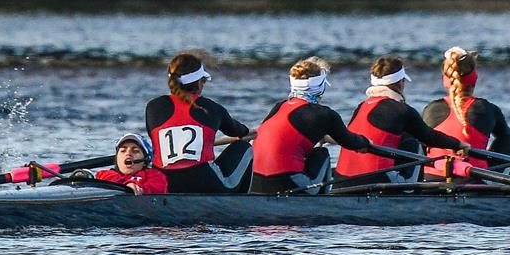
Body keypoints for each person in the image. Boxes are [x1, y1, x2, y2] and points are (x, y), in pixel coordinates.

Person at [334, 57, 472, 189]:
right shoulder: (402, 110)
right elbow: (430, 137)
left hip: (341, 181)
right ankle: (414, 195)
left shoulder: (361, 107)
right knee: (415, 142)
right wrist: (458, 144)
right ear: (400, 83)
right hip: (373, 183)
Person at [249, 58, 383, 195]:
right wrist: (366, 142)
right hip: (286, 183)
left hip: (256, 182)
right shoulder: (325, 114)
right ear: (321, 86)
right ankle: (321, 206)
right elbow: (350, 142)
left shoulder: (279, 106)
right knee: (321, 153)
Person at [146, 52, 253, 192]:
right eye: (203, 80)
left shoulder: (153, 106)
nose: (203, 84)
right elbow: (239, 132)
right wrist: (250, 132)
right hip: (205, 185)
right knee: (244, 147)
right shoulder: (212, 108)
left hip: (163, 185)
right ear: (198, 82)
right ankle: (241, 204)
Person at [419, 46, 510, 180]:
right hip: (473, 179)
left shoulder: (430, 109)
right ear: (475, 78)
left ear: (445, 80)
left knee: (416, 137)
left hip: (430, 179)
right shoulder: (486, 108)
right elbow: (507, 141)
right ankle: (501, 186)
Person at [83, 132, 168, 194]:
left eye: (135, 151)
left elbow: (157, 190)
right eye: (123, 151)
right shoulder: (104, 174)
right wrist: (126, 186)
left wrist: (137, 189)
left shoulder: (155, 176)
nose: (128, 153)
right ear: (117, 159)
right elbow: (103, 178)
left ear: (145, 160)